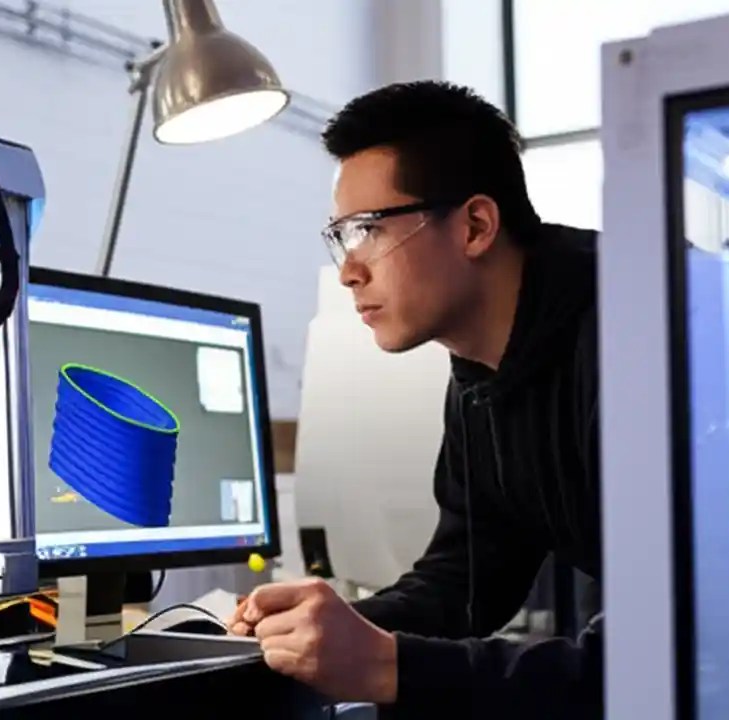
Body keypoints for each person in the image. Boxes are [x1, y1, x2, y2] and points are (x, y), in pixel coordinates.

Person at [229, 80, 602, 718]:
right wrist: (324, 628)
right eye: (341, 237)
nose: (349, 271)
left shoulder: (633, 331)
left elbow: (656, 657)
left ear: (476, 226)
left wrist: (386, 664)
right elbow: (464, 582)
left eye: (369, 230)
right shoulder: (482, 373)